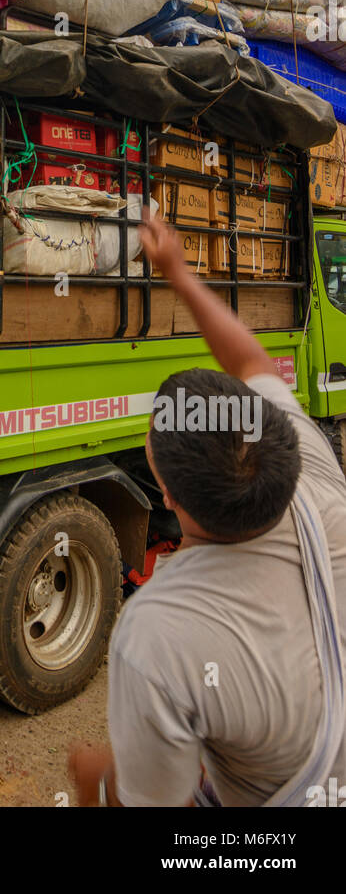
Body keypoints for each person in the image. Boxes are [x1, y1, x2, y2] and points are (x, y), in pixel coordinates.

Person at [70, 209, 346, 807]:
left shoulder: (159, 633)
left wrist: (95, 782)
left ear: (167, 497)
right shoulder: (319, 478)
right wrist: (178, 270)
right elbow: (249, 360)